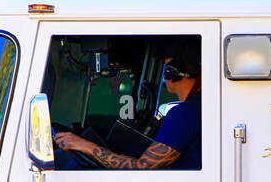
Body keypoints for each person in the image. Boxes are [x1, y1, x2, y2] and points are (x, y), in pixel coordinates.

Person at [55, 54, 202, 170]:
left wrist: (84, 146)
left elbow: (143, 168)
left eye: (167, 68)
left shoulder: (184, 114)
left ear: (172, 73)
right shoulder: (199, 108)